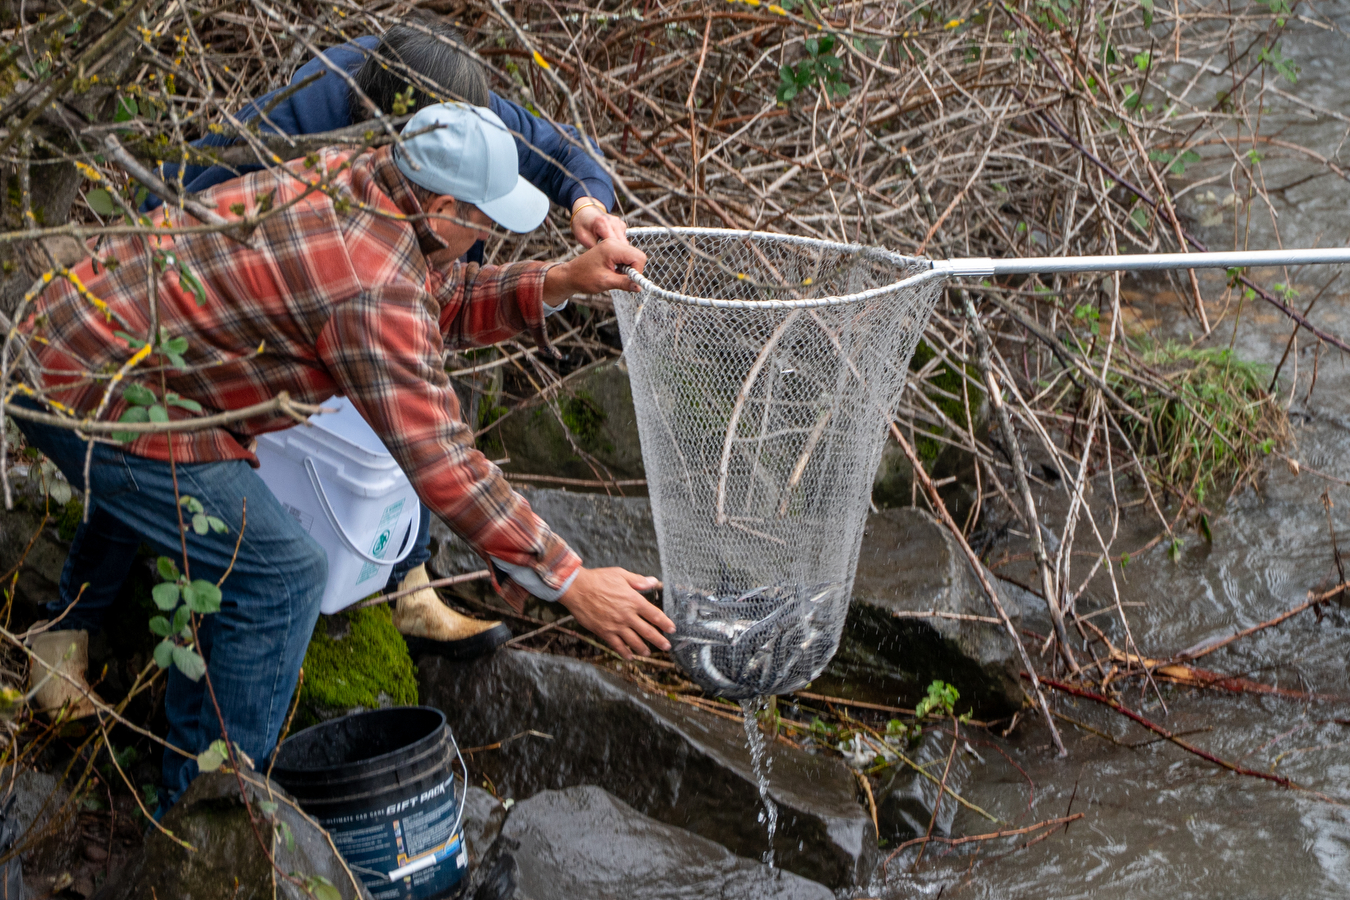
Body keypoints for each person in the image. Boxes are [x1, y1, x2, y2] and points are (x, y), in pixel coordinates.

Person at [14, 102, 674, 807]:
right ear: (444, 206)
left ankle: (176, 749)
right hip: (85, 389)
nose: (485, 237)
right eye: (483, 222)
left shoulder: (365, 181)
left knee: (223, 537)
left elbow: (436, 302)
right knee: (279, 576)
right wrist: (569, 579)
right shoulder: (370, 283)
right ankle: (211, 819)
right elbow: (443, 461)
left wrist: (562, 281)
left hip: (81, 337)